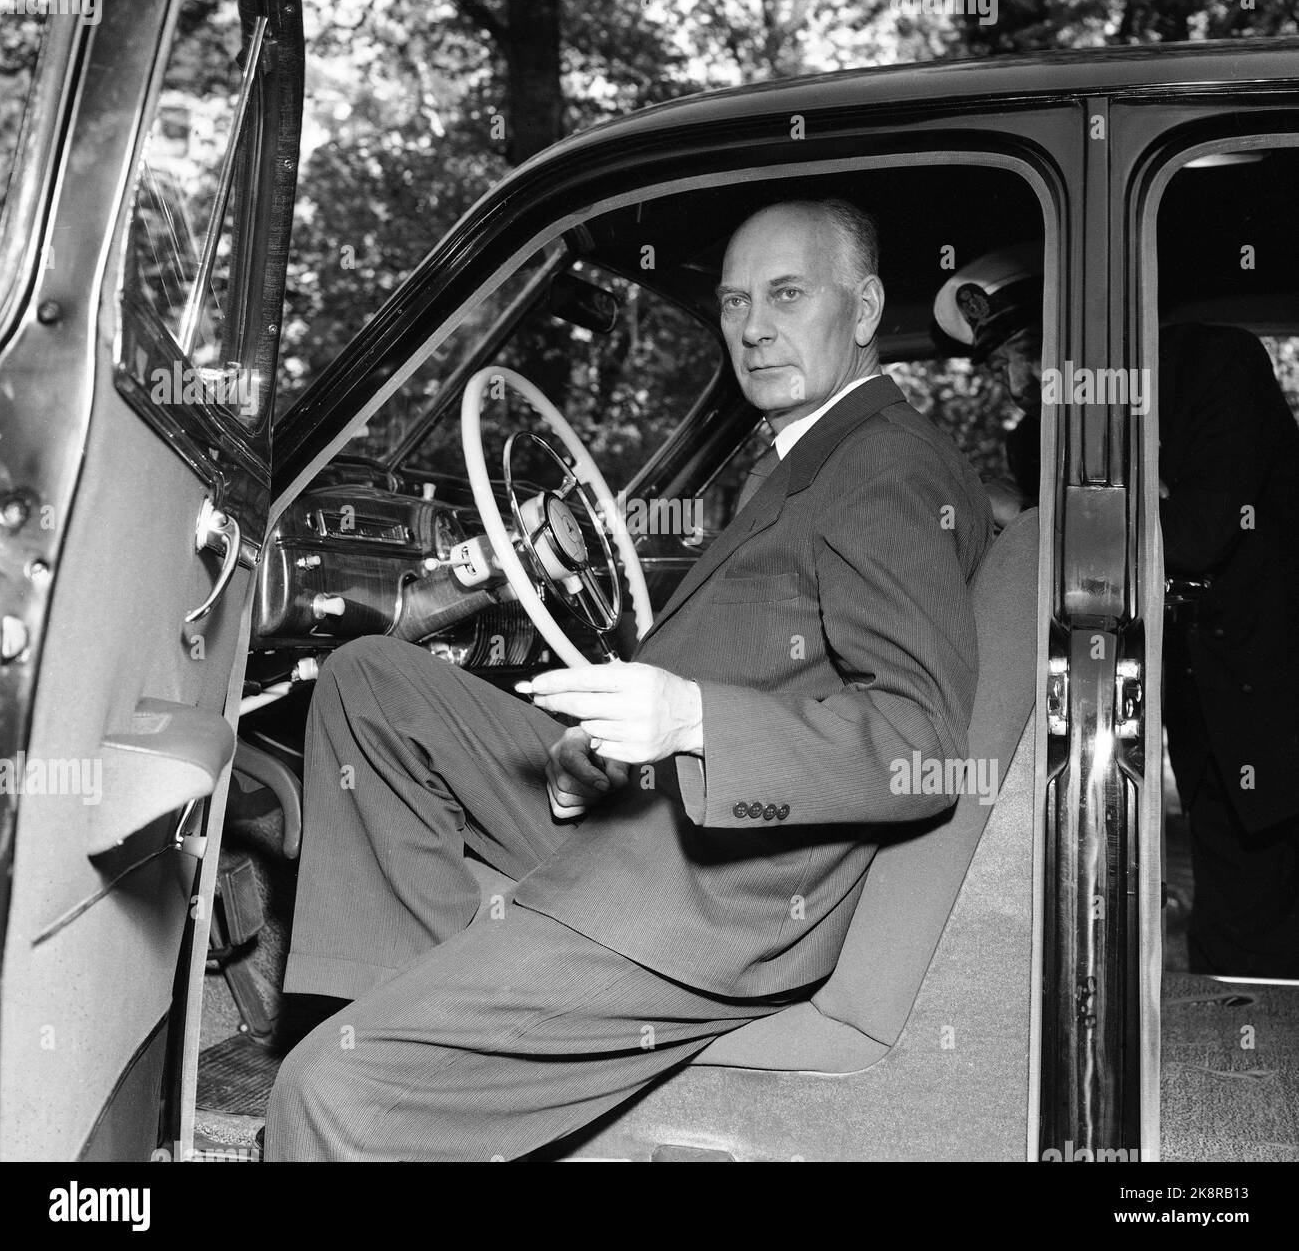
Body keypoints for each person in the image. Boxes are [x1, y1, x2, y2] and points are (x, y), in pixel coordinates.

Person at [265, 198, 994, 1160]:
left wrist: (689, 718)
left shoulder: (886, 469)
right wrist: (600, 746)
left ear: (863, 310)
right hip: (650, 814)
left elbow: (919, 742)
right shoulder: (809, 454)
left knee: (328, 1089)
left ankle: (385, 1093)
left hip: (719, 891)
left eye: (786, 294)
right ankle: (424, 1025)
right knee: (372, 683)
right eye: (736, 301)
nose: (753, 327)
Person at [936, 248, 1299, 979]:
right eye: (1000, 365)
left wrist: (1035, 512)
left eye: (1028, 352)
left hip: (1276, 702)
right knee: (1232, 952)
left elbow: (1195, 536)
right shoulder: (1036, 436)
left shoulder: (1212, 366)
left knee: (1259, 948)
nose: (1014, 384)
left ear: (1088, 329)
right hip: (1197, 731)